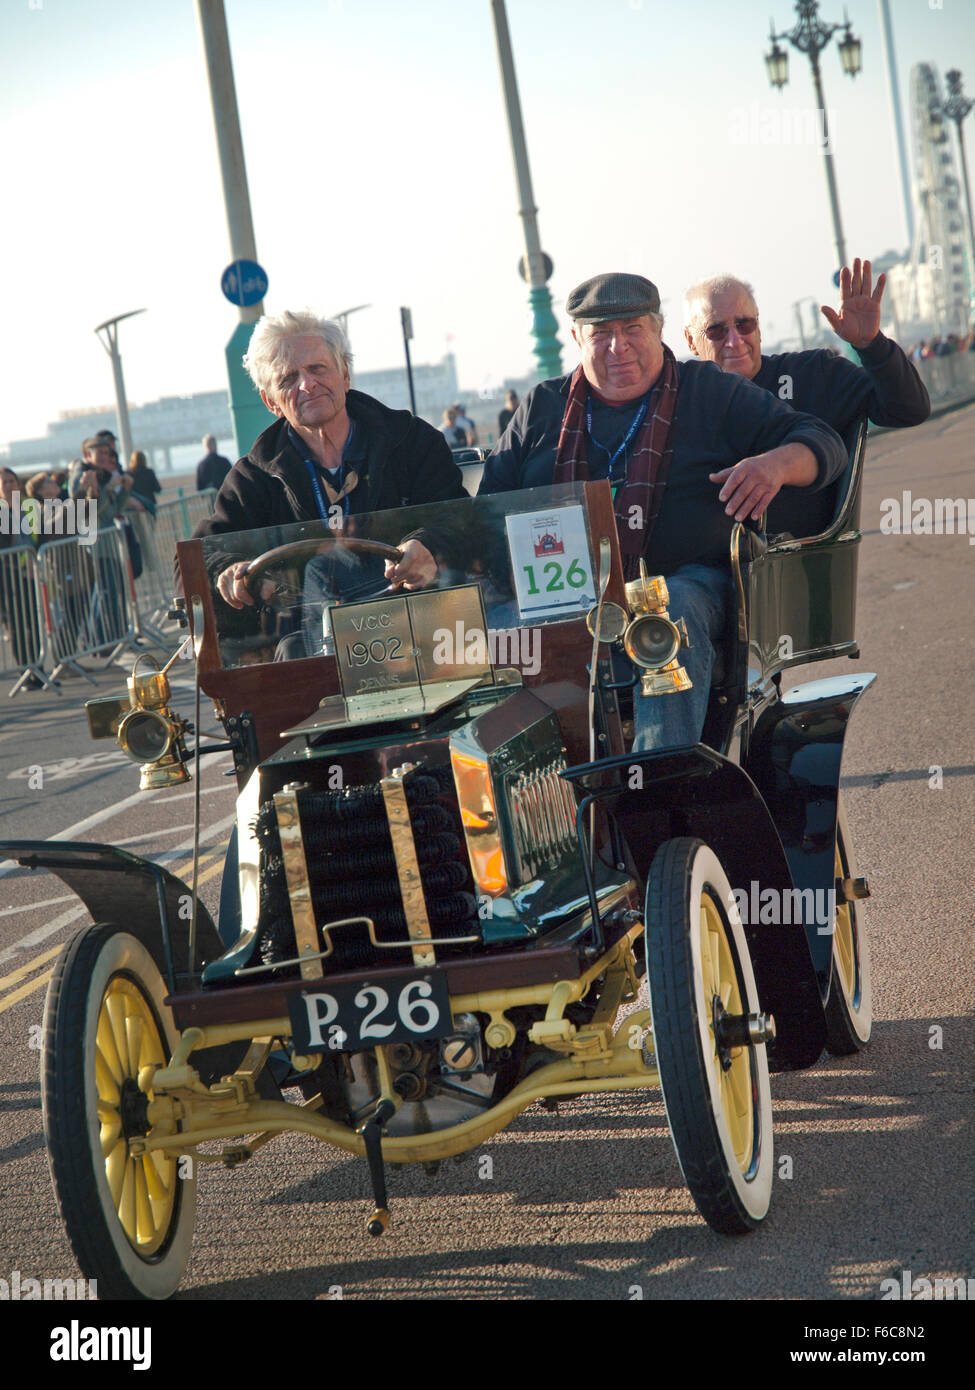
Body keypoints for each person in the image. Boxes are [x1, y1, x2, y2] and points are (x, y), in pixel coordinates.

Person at [479, 271, 847, 752]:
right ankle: (526, 797)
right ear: (576, 338)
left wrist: (774, 465)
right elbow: (484, 512)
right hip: (562, 597)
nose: (619, 348)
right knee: (483, 630)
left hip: (691, 585)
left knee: (663, 610)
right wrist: (429, 548)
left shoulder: (710, 391)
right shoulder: (541, 408)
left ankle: (657, 780)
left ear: (658, 331)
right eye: (601, 335)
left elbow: (824, 443)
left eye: (633, 330)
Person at [190, 310, 468, 613]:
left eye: (317, 368)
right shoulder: (253, 476)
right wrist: (227, 570)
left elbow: (463, 516)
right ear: (270, 402)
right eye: (288, 378)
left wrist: (427, 544)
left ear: (345, 375)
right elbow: (195, 558)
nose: (307, 384)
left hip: (420, 620)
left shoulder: (412, 442)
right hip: (310, 641)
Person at [682, 259, 930, 537]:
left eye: (744, 324)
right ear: (691, 340)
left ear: (759, 327)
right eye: (716, 330)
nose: (734, 340)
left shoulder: (814, 373)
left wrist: (871, 345)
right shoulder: (680, 404)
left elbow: (909, 409)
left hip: (800, 562)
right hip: (706, 563)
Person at [127, 450, 161, 514]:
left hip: (135, 507)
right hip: (149, 506)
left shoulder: (128, 474)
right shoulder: (149, 472)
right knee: (150, 523)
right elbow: (158, 489)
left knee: (135, 523)